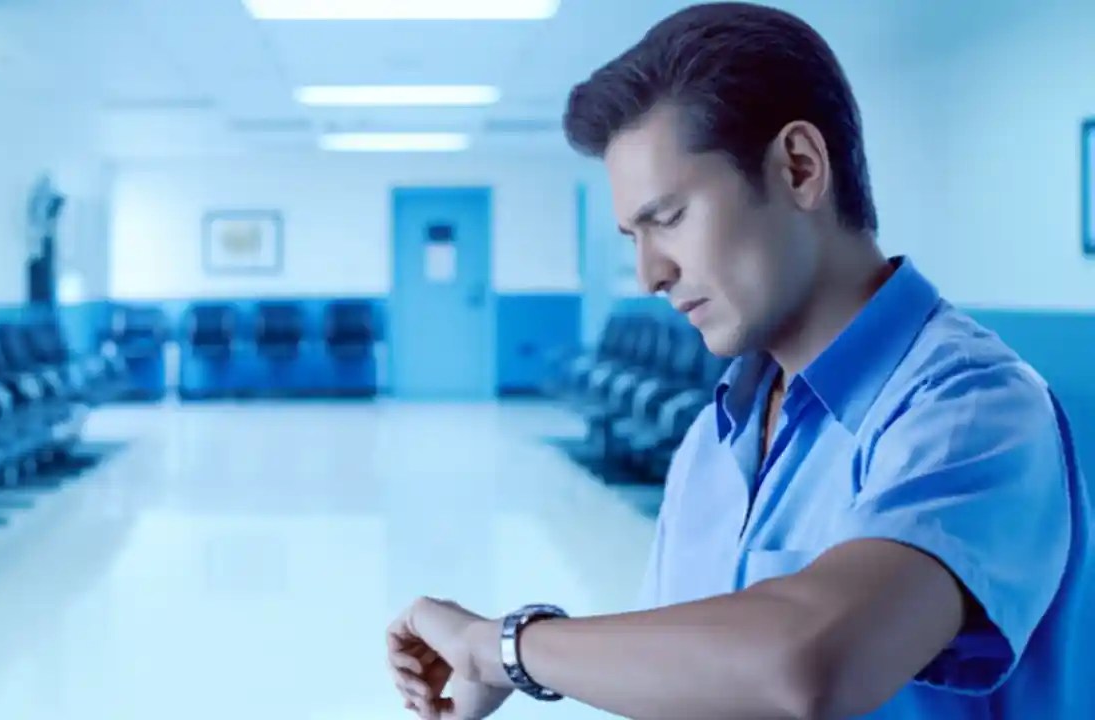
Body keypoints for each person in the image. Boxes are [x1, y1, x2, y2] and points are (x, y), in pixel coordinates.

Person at [384, 2, 1093, 719]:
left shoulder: (973, 408)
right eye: (632, 236)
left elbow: (806, 662)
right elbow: (696, 682)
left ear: (799, 168)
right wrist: (507, 653)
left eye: (668, 218)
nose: (650, 274)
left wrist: (506, 647)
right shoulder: (714, 439)